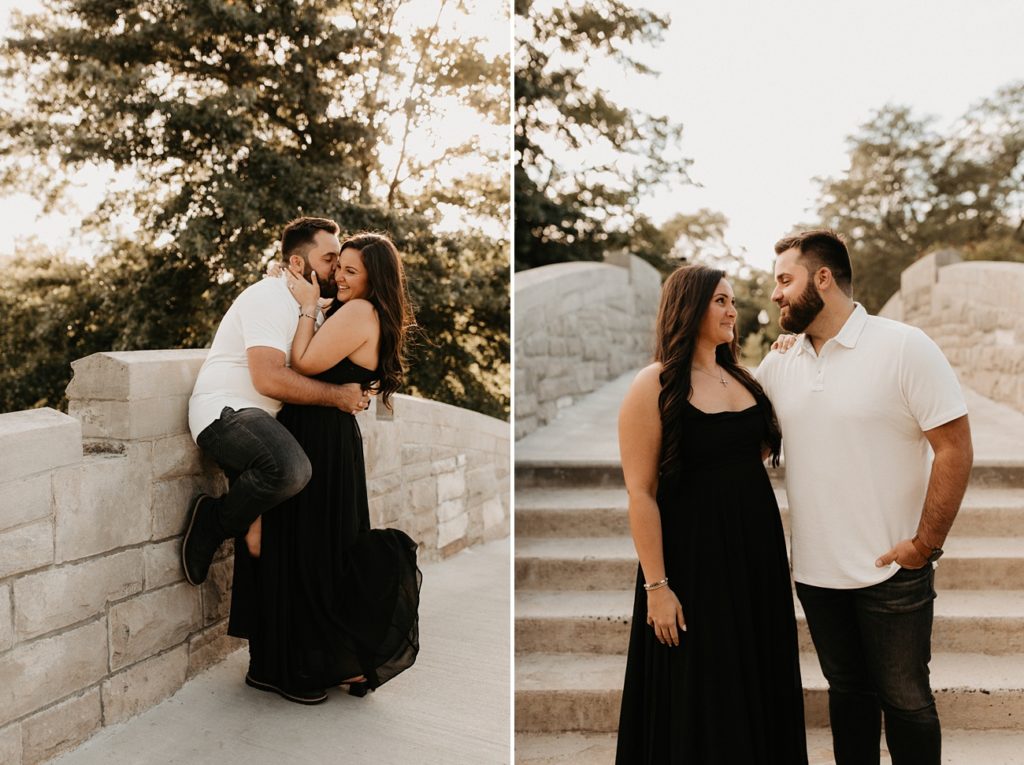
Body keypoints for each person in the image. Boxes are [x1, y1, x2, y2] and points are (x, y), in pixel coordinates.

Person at [756, 229, 973, 765]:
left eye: (786, 280)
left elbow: (954, 450)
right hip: (815, 574)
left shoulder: (904, 346)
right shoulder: (780, 362)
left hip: (893, 572)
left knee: (906, 701)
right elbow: (743, 442)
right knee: (847, 694)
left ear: (822, 278)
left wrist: (924, 545)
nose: (777, 294)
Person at [615, 264, 808, 763]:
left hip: (755, 558)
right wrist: (657, 587)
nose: (731, 310)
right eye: (719, 301)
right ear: (690, 307)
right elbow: (640, 492)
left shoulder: (743, 377)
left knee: (758, 680)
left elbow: (752, 454)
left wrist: (788, 357)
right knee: (704, 690)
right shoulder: (654, 383)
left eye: (731, 301)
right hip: (694, 562)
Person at [227, 231, 421, 705]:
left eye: (351, 271)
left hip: (317, 438)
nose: (339, 276)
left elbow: (303, 360)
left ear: (374, 279)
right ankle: (325, 658)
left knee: (301, 550)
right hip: (330, 440)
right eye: (339, 267)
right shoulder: (364, 310)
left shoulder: (358, 311)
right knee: (317, 549)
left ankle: (289, 664)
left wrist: (308, 307)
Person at [183, 217, 370, 589]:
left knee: (273, 543)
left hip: (267, 423)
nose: (337, 267)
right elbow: (267, 378)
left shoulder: (313, 305)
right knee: (290, 470)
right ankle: (212, 521)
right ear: (298, 264)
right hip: (226, 412)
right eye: (329, 258)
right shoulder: (267, 296)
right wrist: (338, 398)